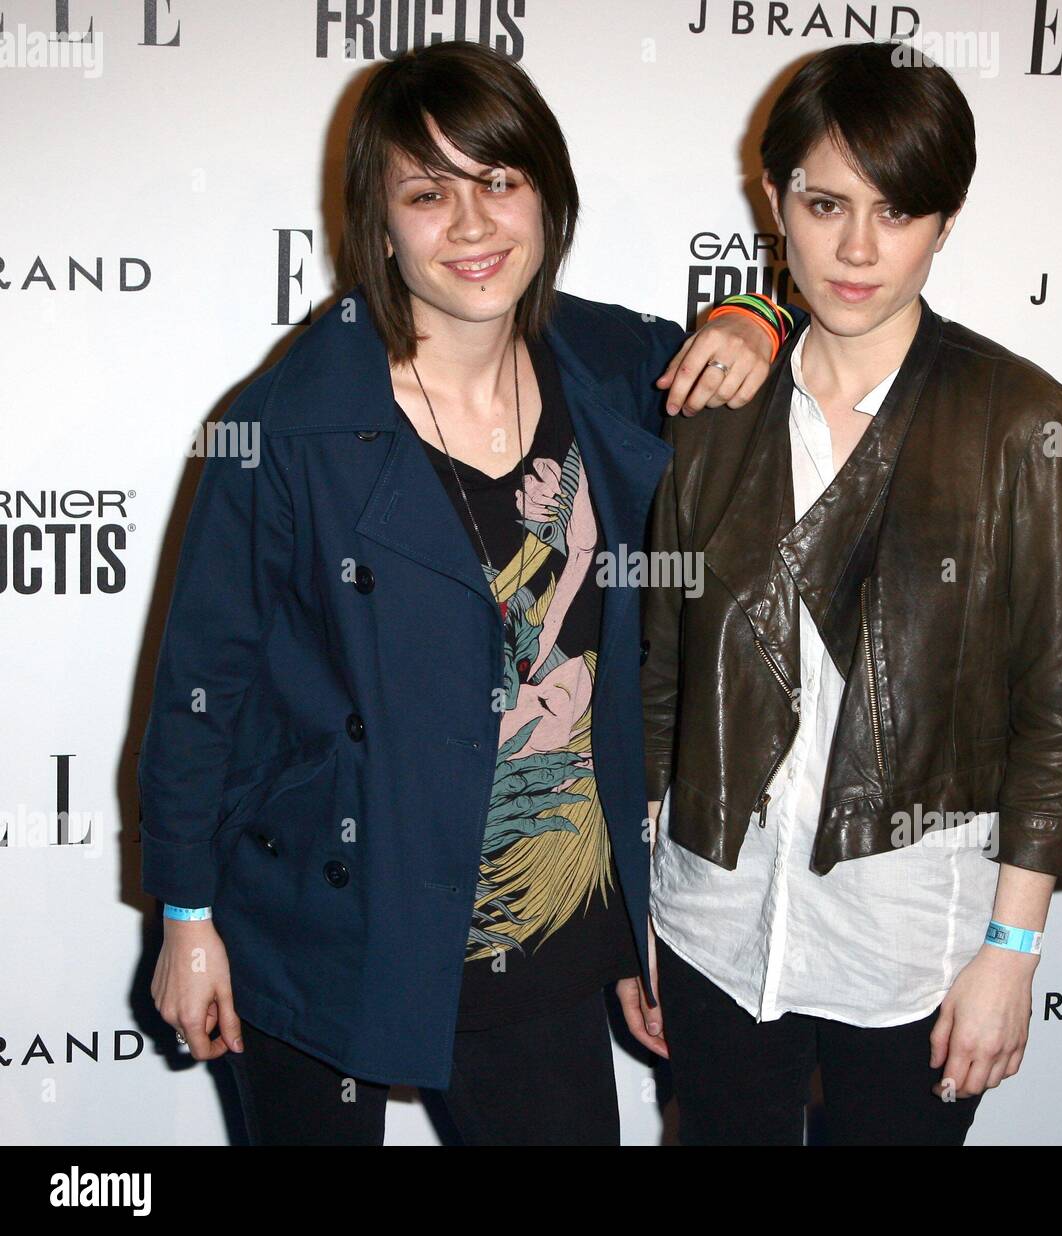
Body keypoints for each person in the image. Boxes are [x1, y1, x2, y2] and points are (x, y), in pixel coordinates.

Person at [139, 40, 791, 1146]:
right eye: (428, 194)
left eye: (500, 180)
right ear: (377, 221)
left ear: (546, 192)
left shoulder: (614, 361)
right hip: (332, 914)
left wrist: (753, 316)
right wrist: (188, 918)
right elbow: (206, 685)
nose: (475, 226)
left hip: (536, 916)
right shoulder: (288, 422)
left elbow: (825, 323)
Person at [634, 41, 1062, 1146]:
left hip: (915, 944)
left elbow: (1058, 715)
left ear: (944, 221)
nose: (855, 250)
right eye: (824, 203)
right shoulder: (712, 405)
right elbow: (661, 676)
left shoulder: (1023, 420)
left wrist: (1012, 954)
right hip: (711, 923)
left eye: (895, 213)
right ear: (774, 201)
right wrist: (642, 911)